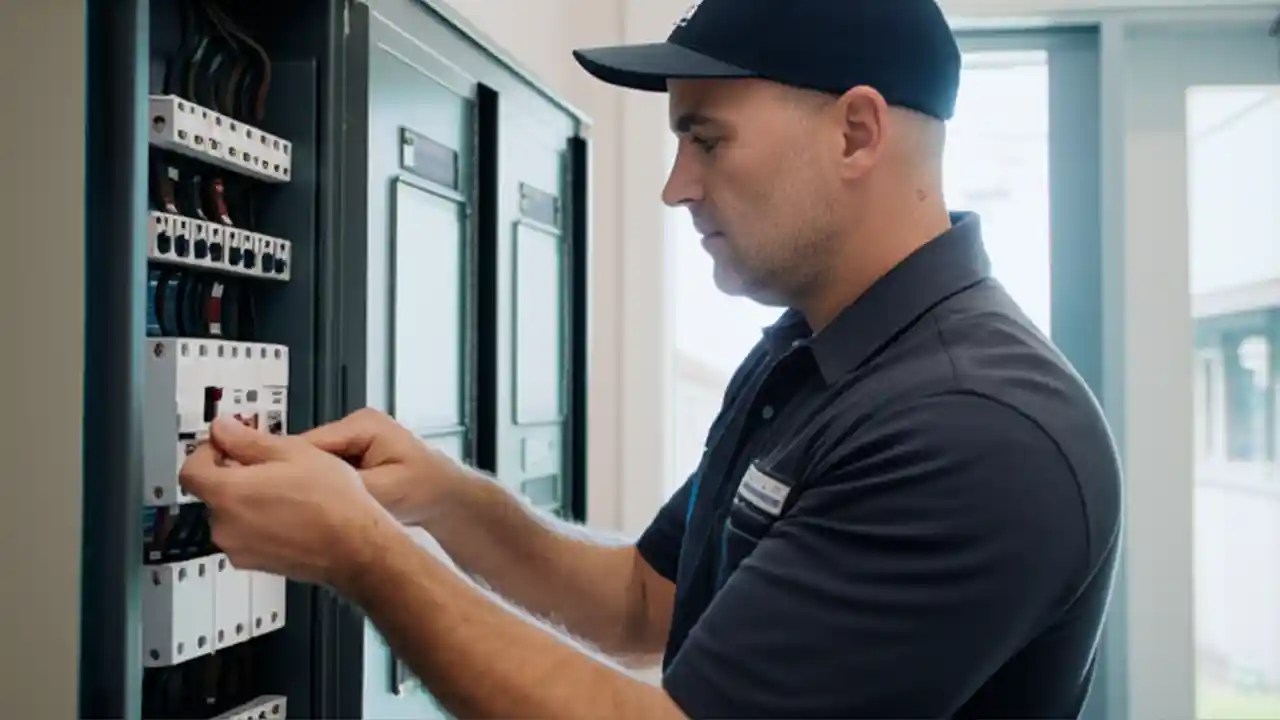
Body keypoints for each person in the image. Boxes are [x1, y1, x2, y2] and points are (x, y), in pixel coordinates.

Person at [180, 0, 1124, 717]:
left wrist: (364, 554)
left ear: (857, 132)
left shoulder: (975, 429)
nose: (677, 188)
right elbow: (644, 600)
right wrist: (438, 499)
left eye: (705, 139)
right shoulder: (809, 356)